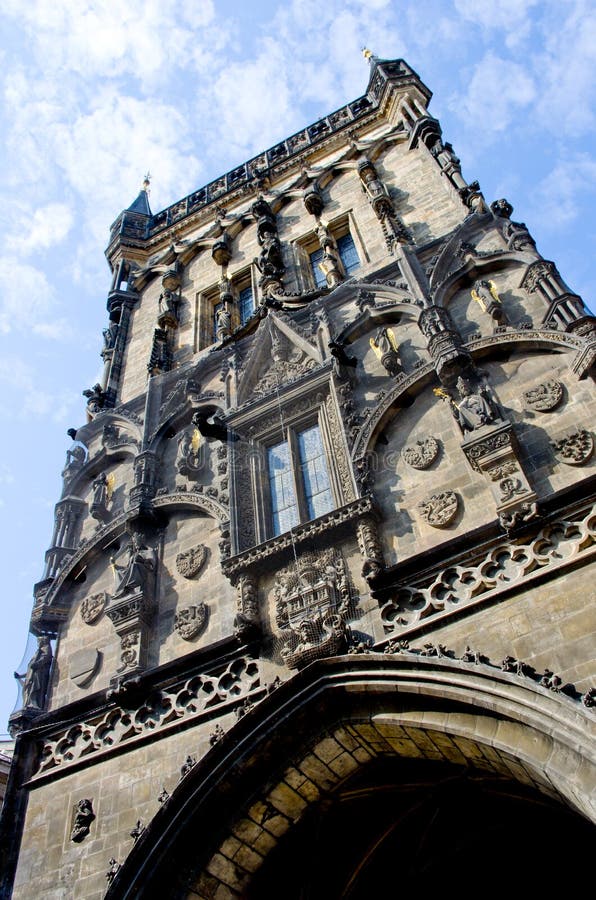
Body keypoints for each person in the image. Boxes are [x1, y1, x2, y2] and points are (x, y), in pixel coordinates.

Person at [110, 533, 153, 598]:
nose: (136, 545)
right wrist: (116, 566)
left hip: (142, 568)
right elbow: (128, 567)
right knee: (119, 572)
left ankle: (130, 586)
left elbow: (151, 562)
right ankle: (121, 590)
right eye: (135, 544)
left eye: (137, 543)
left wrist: (141, 560)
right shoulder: (134, 554)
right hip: (133, 569)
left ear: (141, 543)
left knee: (134, 566)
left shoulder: (147, 551)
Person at [14, 636, 53, 709]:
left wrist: (37, 664)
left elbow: (46, 658)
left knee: (35, 687)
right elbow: (30, 670)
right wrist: (20, 676)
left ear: (42, 641)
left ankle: (35, 704)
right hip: (33, 674)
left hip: (39, 673)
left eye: (39, 641)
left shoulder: (46, 648)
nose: (38, 643)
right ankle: (30, 703)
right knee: (29, 688)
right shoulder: (38, 651)